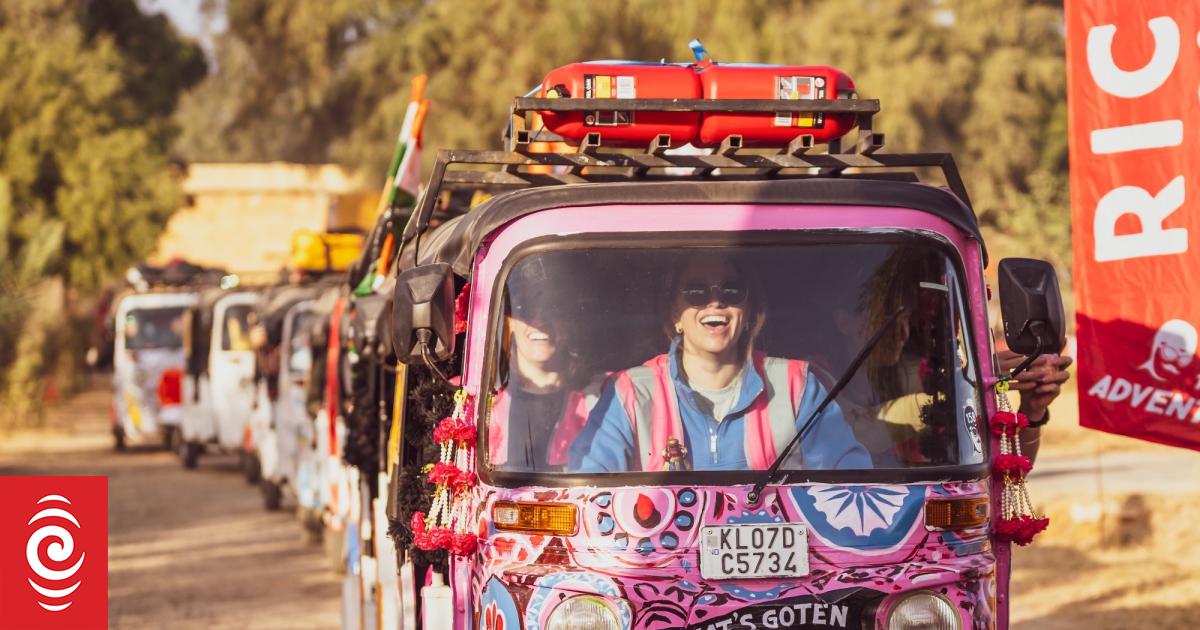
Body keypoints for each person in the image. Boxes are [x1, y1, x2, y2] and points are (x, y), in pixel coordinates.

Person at [568, 254, 871, 473]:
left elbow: (851, 481)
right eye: (696, 292)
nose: (715, 302)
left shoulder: (798, 385)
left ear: (750, 310)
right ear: (674, 312)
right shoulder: (630, 393)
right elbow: (588, 487)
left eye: (732, 291)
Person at [489, 259, 600, 472]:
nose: (539, 320)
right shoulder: (473, 400)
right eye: (526, 307)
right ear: (509, 320)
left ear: (570, 320)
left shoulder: (608, 396)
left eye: (554, 308)